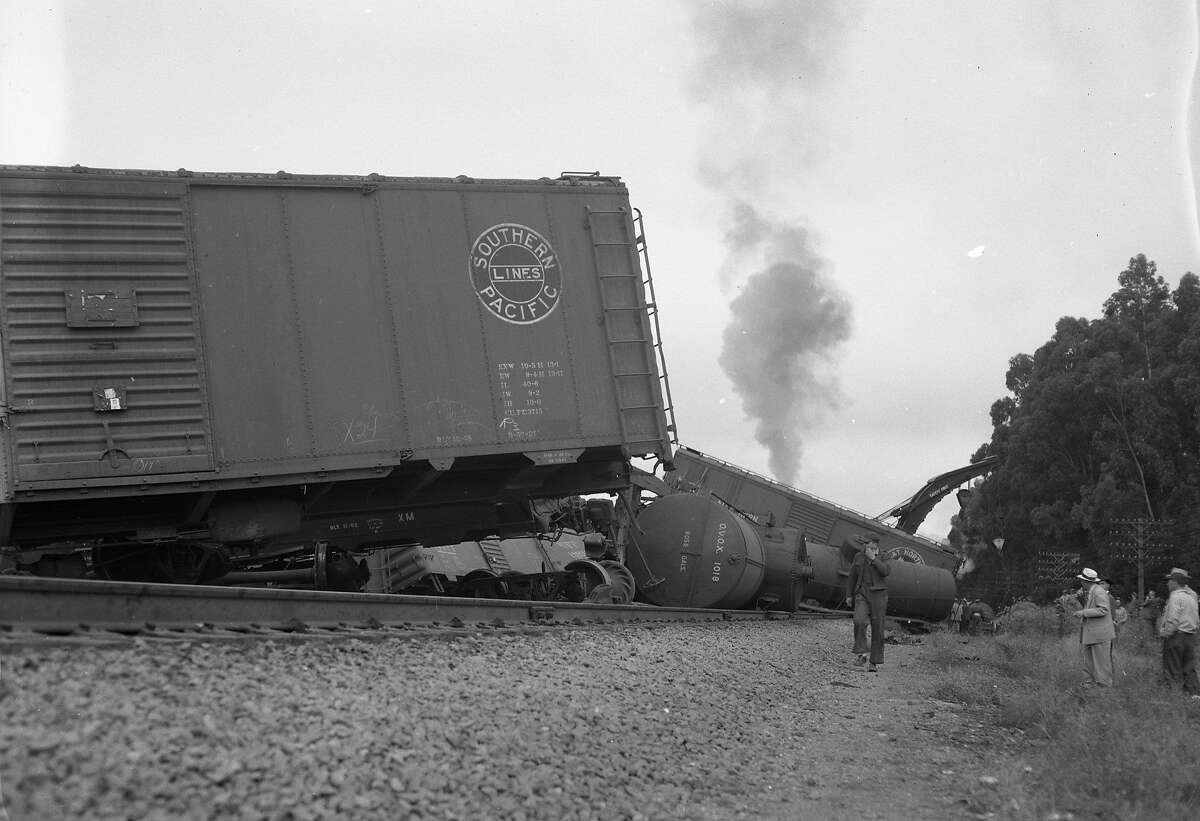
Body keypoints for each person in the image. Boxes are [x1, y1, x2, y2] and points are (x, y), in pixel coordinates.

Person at [844, 534, 891, 672]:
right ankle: (862, 654)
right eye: (865, 543)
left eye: (868, 543)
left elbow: (886, 571)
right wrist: (848, 595)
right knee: (858, 621)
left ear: (875, 545)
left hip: (879, 596)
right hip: (862, 594)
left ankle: (874, 662)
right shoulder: (859, 556)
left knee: (878, 628)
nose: (865, 545)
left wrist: (874, 559)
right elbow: (852, 576)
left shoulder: (884, 556)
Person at [1158, 567, 1200, 696]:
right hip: (1190, 636)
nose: (1167, 584)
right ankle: (1194, 693)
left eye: (1169, 581)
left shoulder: (1175, 596)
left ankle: (1174, 694)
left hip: (1176, 636)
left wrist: (1165, 634)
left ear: (1175, 582)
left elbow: (1173, 619)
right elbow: (1196, 619)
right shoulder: (1192, 597)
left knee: (1172, 666)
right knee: (1188, 666)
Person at [1071, 567, 1115, 687]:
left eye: (1082, 580)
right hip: (1093, 633)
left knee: (1101, 663)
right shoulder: (1092, 591)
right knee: (1089, 661)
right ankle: (1089, 684)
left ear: (1086, 581)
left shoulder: (1098, 592)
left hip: (1100, 635)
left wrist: (1083, 613)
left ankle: (1104, 686)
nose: (1081, 582)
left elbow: (1104, 610)